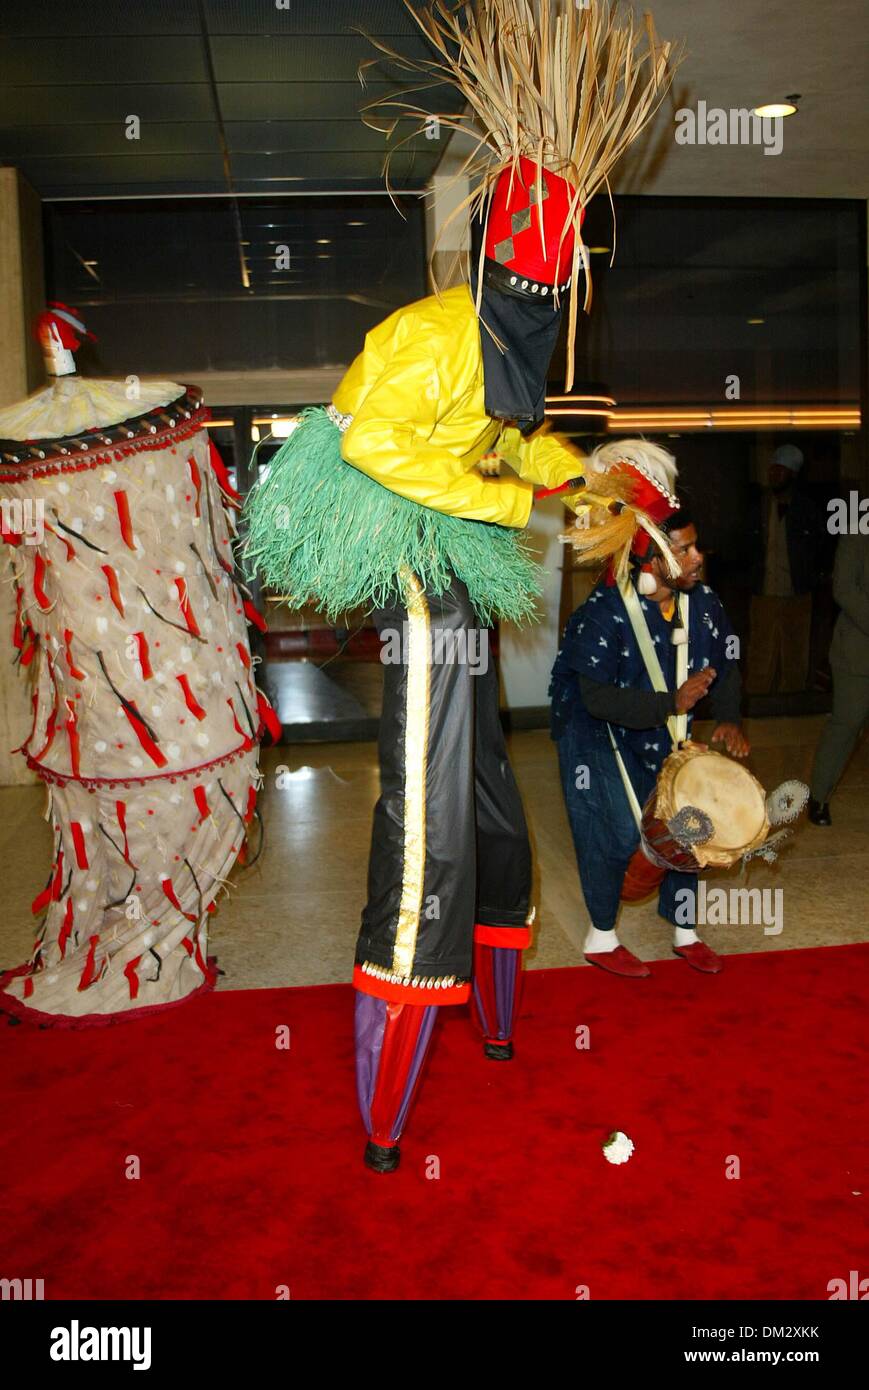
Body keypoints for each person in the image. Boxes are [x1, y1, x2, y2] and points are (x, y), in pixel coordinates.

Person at [244, 1, 676, 1169]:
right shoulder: (433, 335)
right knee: (428, 785)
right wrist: (517, 504)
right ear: (500, 278)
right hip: (394, 529)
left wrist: (574, 477)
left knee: (478, 763)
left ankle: (484, 1000)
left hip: (450, 530)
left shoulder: (509, 344)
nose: (542, 309)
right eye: (530, 294)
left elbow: (512, 442)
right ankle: (400, 1002)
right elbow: (387, 451)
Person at [550, 443, 750, 979]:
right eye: (682, 550)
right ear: (650, 561)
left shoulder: (702, 601)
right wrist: (672, 702)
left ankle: (685, 931)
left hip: (662, 720)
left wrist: (727, 715)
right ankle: (601, 937)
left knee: (686, 821)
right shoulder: (604, 611)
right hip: (591, 731)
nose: (696, 558)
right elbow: (595, 696)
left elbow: (724, 662)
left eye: (695, 547)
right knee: (613, 830)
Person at [745, 444, 820, 694]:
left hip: (797, 592)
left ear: (793, 474)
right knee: (760, 652)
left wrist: (812, 577)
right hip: (763, 590)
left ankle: (792, 702)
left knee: (796, 652)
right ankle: (758, 701)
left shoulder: (807, 509)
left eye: (781, 471)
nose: (775, 475)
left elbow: (818, 548)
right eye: (773, 470)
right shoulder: (758, 507)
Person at [809, 534, 869, 824]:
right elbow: (844, 589)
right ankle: (819, 796)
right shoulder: (858, 532)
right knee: (849, 720)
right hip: (858, 648)